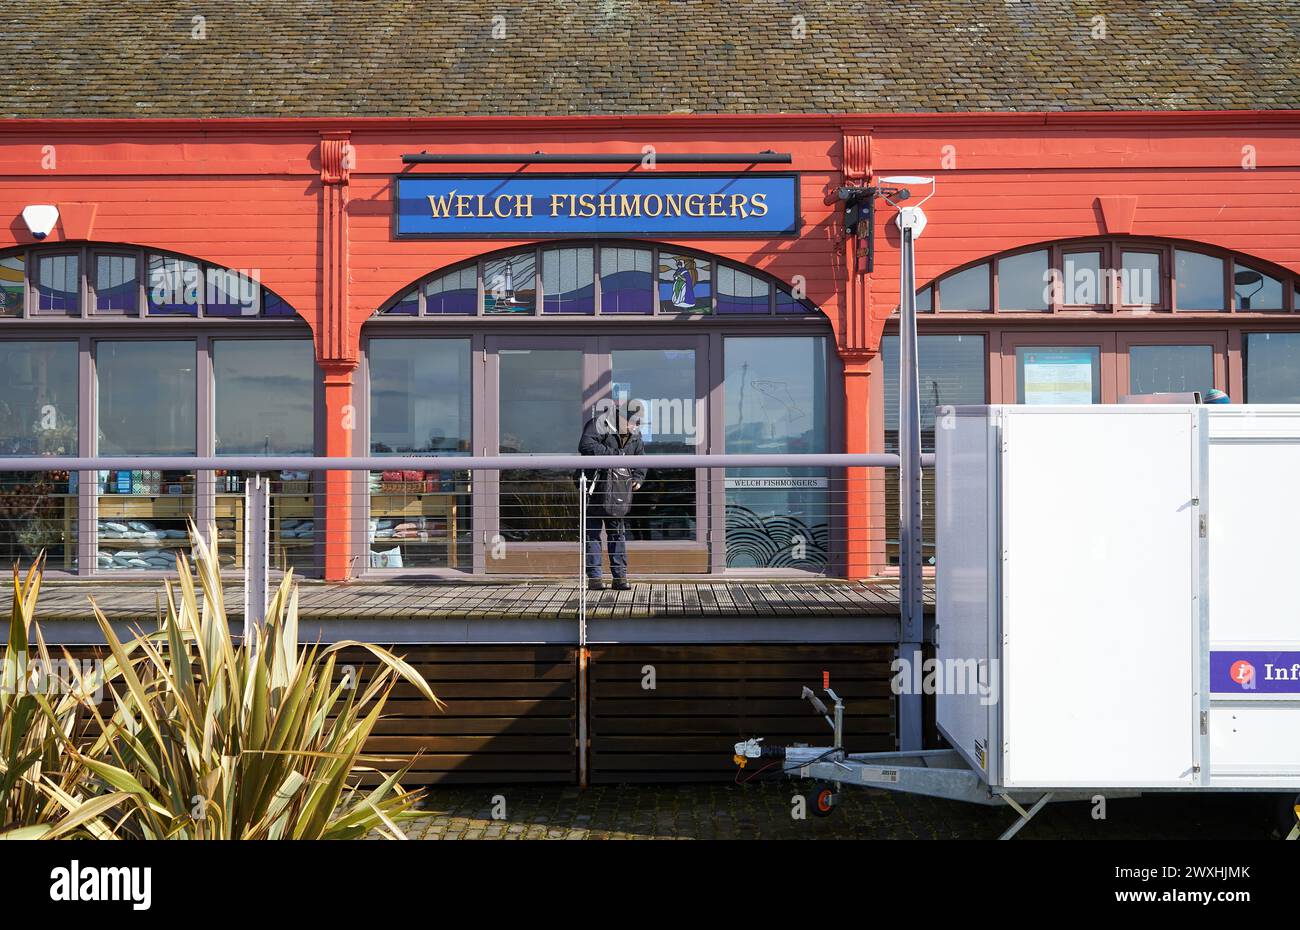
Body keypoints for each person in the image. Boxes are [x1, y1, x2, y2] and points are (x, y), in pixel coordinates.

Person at [578, 399, 646, 591]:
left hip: (618, 491)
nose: (635, 426)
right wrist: (615, 454)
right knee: (592, 534)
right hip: (593, 489)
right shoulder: (599, 423)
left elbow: (641, 459)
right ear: (621, 416)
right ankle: (595, 579)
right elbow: (585, 445)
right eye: (632, 421)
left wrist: (639, 478)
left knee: (617, 534)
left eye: (638, 422)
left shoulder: (635, 434)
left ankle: (620, 578)